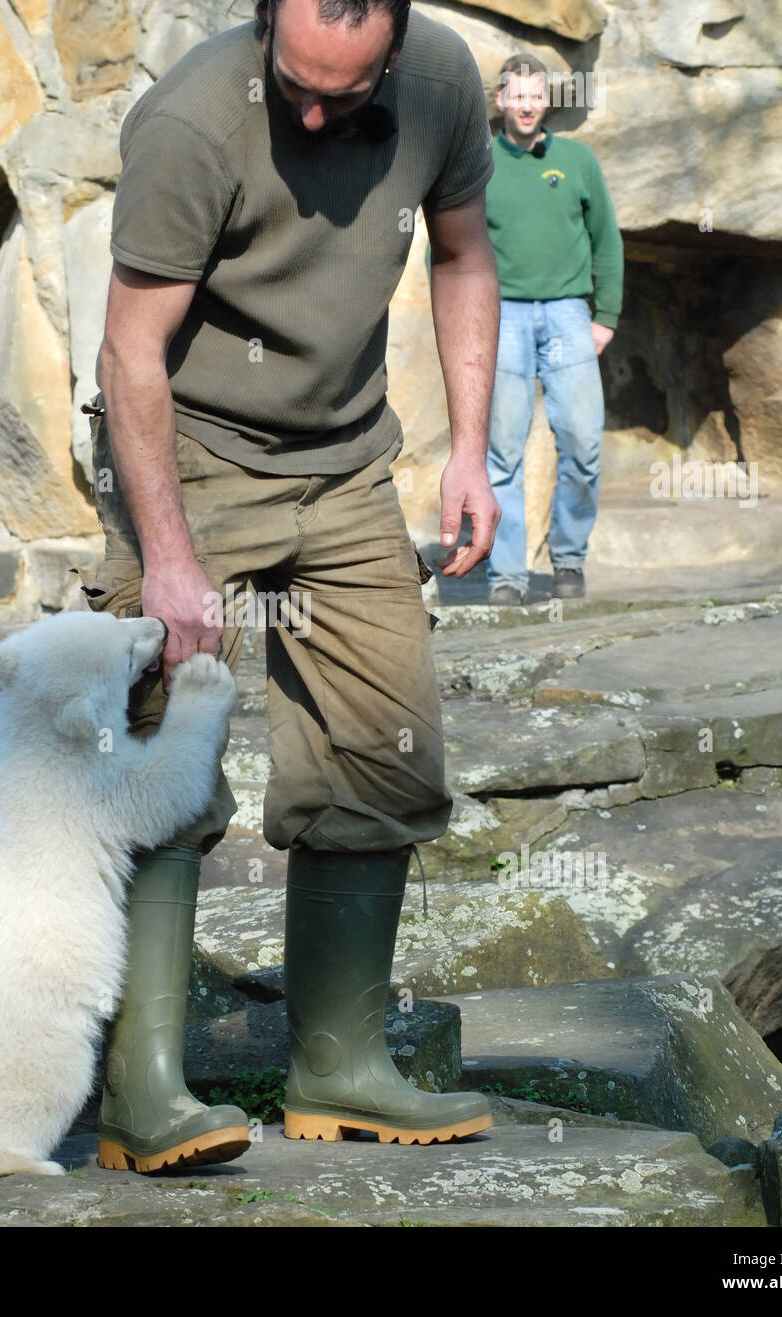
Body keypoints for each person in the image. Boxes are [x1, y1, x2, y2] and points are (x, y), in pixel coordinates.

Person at [76, 0, 502, 1174]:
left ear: (400, 47)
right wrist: (166, 554)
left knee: (388, 747)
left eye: (345, 94)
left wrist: (468, 451)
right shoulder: (192, 125)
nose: (314, 113)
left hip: (348, 457)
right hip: (192, 450)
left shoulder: (445, 80)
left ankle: (340, 1068)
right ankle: (143, 1094)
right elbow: (130, 352)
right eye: (296, 85)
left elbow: (465, 254)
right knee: (161, 756)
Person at [428, 51, 623, 603]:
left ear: (547, 101)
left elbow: (607, 240)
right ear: (501, 100)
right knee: (502, 453)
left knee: (583, 446)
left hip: (568, 311)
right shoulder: (479, 162)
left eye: (538, 95)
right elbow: (450, 249)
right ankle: (508, 575)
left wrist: (605, 316)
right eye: (518, 94)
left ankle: (569, 560)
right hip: (502, 316)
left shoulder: (579, 161)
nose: (528, 105)